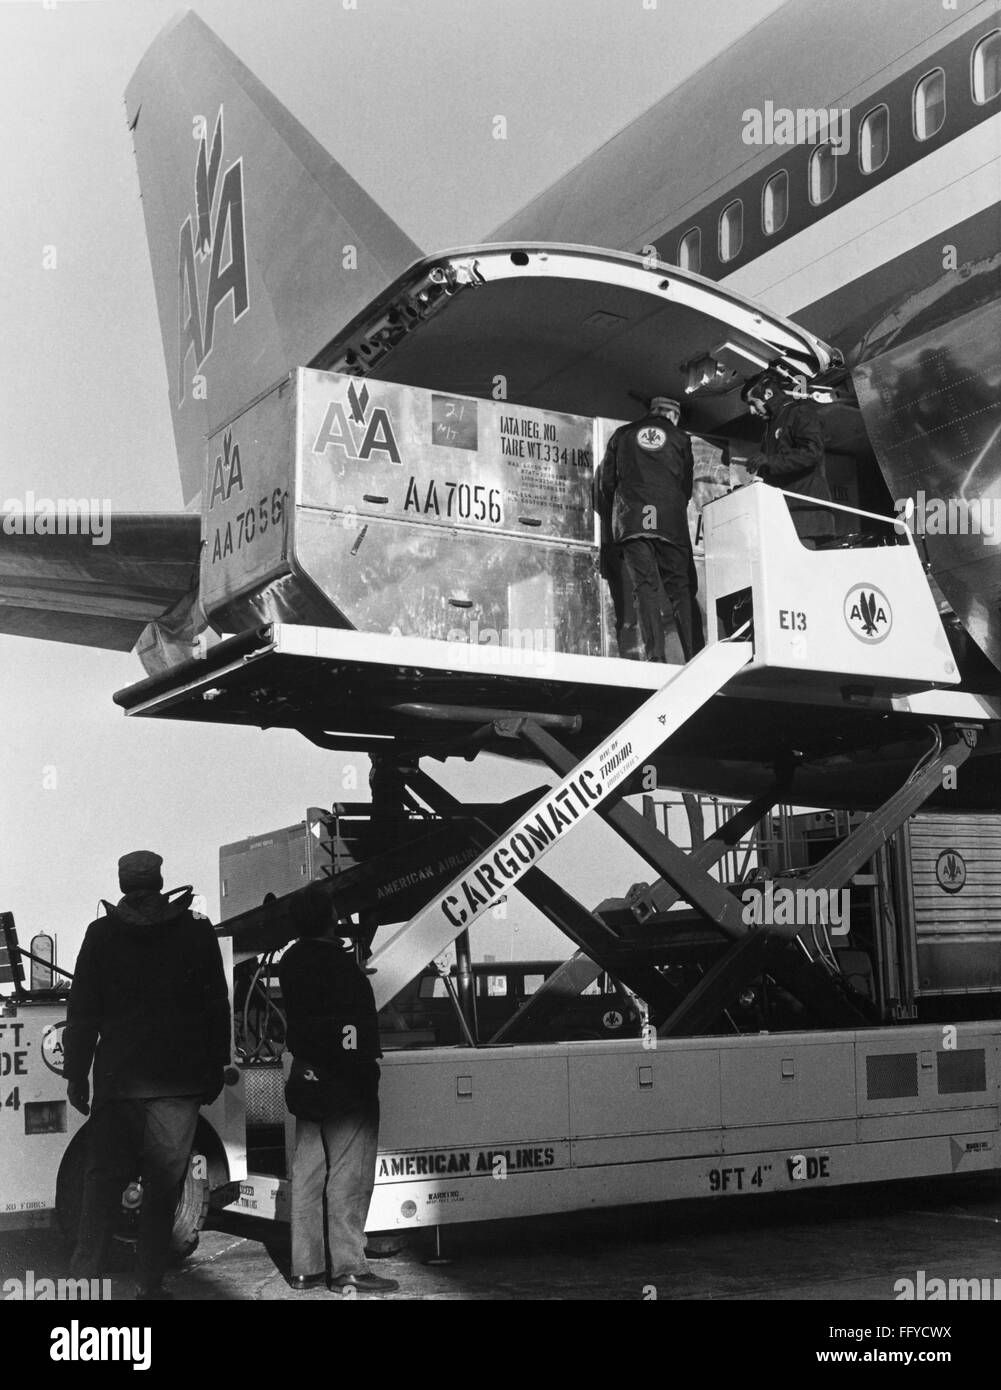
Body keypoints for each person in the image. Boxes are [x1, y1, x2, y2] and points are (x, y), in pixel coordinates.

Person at [63, 850, 230, 1301]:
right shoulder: (195, 930)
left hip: (118, 1081)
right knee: (163, 1187)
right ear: (159, 881)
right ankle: (149, 1286)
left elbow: (82, 1014)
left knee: (101, 1181)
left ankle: (82, 1280)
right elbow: (216, 1005)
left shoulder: (101, 934)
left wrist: (76, 1075)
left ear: (122, 885)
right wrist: (214, 1066)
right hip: (178, 1082)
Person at [278, 888, 398, 1296]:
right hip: (345, 1083)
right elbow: (348, 1030)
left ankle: (305, 1269)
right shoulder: (339, 966)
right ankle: (348, 1267)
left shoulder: (291, 961)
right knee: (349, 1175)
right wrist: (359, 1061)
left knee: (308, 1173)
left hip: (306, 1076)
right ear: (330, 918)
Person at [597, 395, 701, 662]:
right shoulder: (680, 437)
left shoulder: (622, 434)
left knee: (645, 586)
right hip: (670, 522)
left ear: (653, 411)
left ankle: (656, 656)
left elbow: (607, 483)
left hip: (632, 520)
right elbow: (686, 486)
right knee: (680, 589)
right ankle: (694, 655)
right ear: (672, 415)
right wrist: (671, 505)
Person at [742, 376, 835, 545]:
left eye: (753, 403)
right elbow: (776, 464)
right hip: (785, 518)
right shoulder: (772, 426)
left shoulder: (800, 413)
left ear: (768, 394)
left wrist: (769, 461)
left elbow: (812, 453)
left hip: (806, 519)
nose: (752, 411)